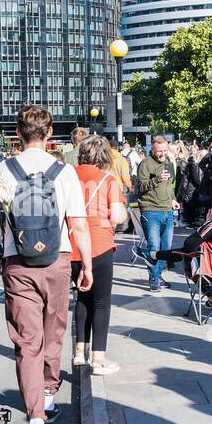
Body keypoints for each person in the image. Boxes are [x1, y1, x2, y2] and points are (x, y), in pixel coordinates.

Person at [0, 106, 92, 424]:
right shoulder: (64, 171)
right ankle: (50, 395)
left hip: (18, 264)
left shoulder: (2, 171)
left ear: (17, 134)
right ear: (50, 133)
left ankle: (35, 418)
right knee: (54, 331)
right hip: (58, 261)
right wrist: (85, 264)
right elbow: (78, 224)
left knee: (27, 341)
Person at [71, 135, 126, 375]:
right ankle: (99, 357)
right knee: (101, 302)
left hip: (72, 243)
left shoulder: (69, 175)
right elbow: (117, 216)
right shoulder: (108, 179)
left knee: (81, 299)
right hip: (99, 243)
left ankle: (78, 352)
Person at [136, 135, 179, 291]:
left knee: (166, 249)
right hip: (150, 210)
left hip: (167, 210)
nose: (162, 154)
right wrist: (157, 180)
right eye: (159, 151)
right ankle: (154, 278)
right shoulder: (145, 164)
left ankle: (158, 274)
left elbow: (169, 186)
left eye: (165, 150)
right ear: (152, 149)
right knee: (154, 247)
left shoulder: (168, 162)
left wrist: (173, 199)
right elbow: (139, 188)